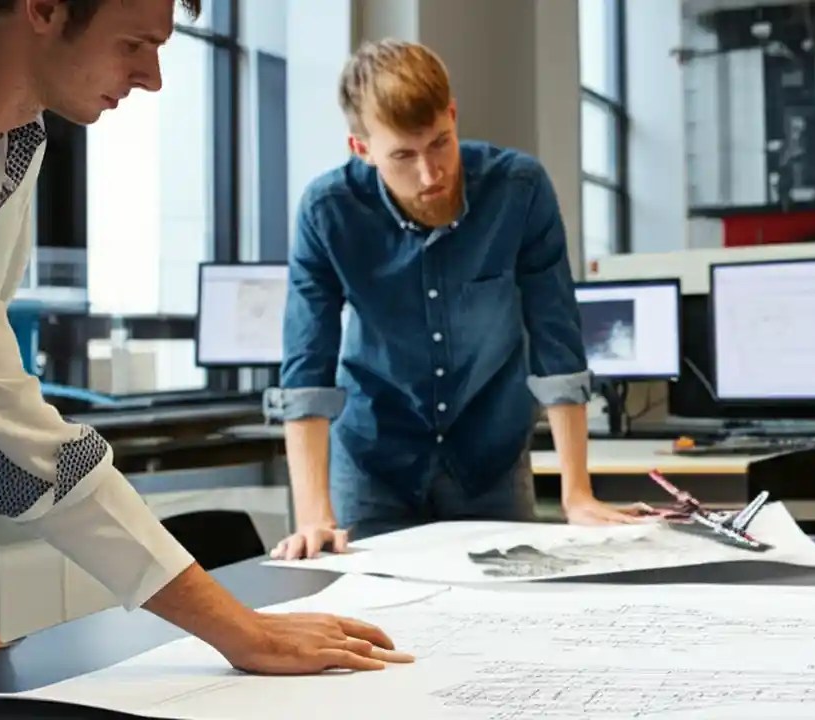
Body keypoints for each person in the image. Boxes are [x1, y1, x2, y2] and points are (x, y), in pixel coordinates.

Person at [0, 0, 413, 674]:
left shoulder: (20, 142)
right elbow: (22, 435)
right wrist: (240, 629)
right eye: (136, 43)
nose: (154, 77)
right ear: (43, 7)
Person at [266, 39, 649, 561]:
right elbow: (307, 368)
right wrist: (314, 516)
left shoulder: (518, 190)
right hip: (375, 457)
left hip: (488, 454)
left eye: (440, 143)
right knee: (369, 618)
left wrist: (576, 492)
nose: (430, 174)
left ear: (452, 115)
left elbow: (556, 339)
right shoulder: (328, 210)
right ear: (362, 148)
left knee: (507, 619)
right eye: (403, 155)